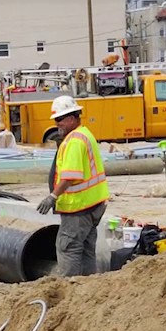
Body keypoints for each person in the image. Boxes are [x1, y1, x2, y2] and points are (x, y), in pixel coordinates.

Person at [36, 95, 110, 276]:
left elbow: (70, 176)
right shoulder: (84, 134)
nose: (57, 124)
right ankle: (87, 287)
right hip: (93, 205)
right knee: (86, 251)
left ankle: (70, 288)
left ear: (71, 118)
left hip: (78, 208)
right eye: (56, 120)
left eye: (59, 119)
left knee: (68, 248)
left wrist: (52, 197)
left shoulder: (74, 141)